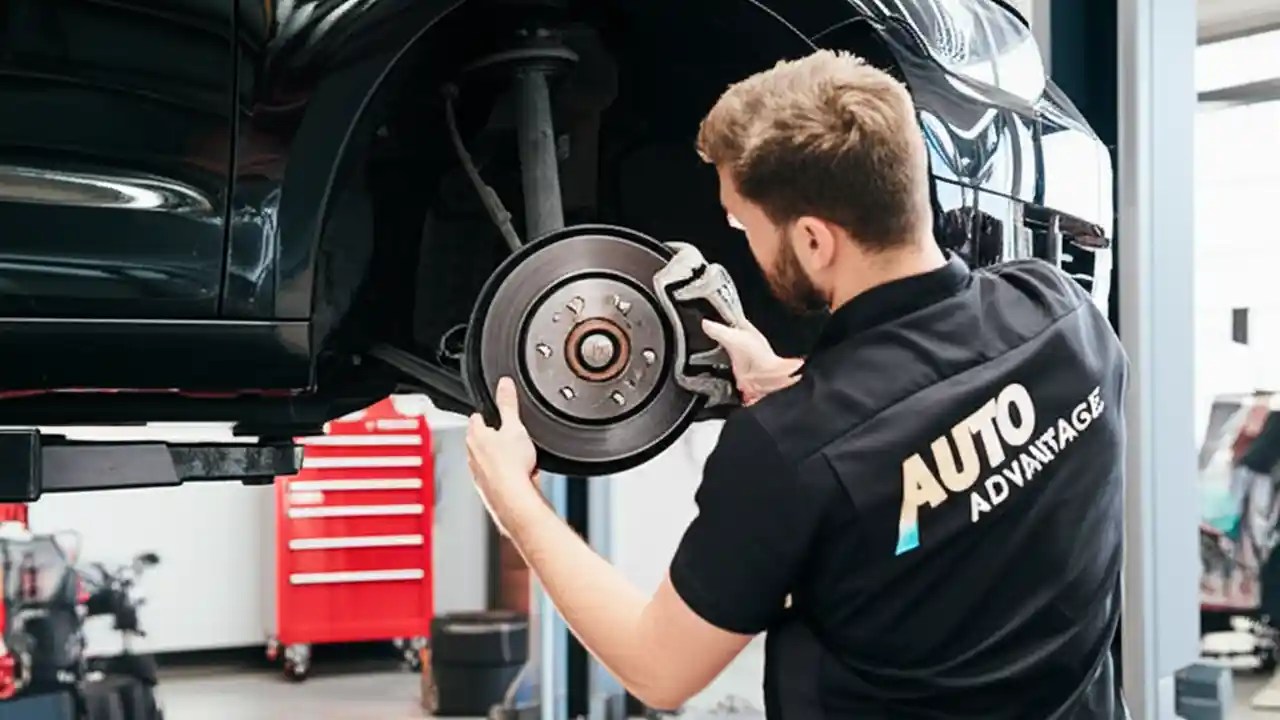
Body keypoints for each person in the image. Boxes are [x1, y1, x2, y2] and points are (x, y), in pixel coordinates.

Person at [465, 49, 1129, 719]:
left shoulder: (786, 452)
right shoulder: (1064, 318)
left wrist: (515, 500)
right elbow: (935, 412)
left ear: (814, 240)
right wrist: (801, 382)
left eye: (741, 223)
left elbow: (657, 668)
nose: (739, 240)